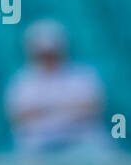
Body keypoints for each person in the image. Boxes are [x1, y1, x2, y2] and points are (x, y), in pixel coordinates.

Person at [6, 20, 110, 154]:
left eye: (52, 52)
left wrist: (43, 110)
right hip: (38, 144)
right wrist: (68, 109)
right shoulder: (22, 81)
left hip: (81, 140)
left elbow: (93, 108)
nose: (48, 57)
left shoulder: (83, 76)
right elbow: (20, 116)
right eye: (43, 54)